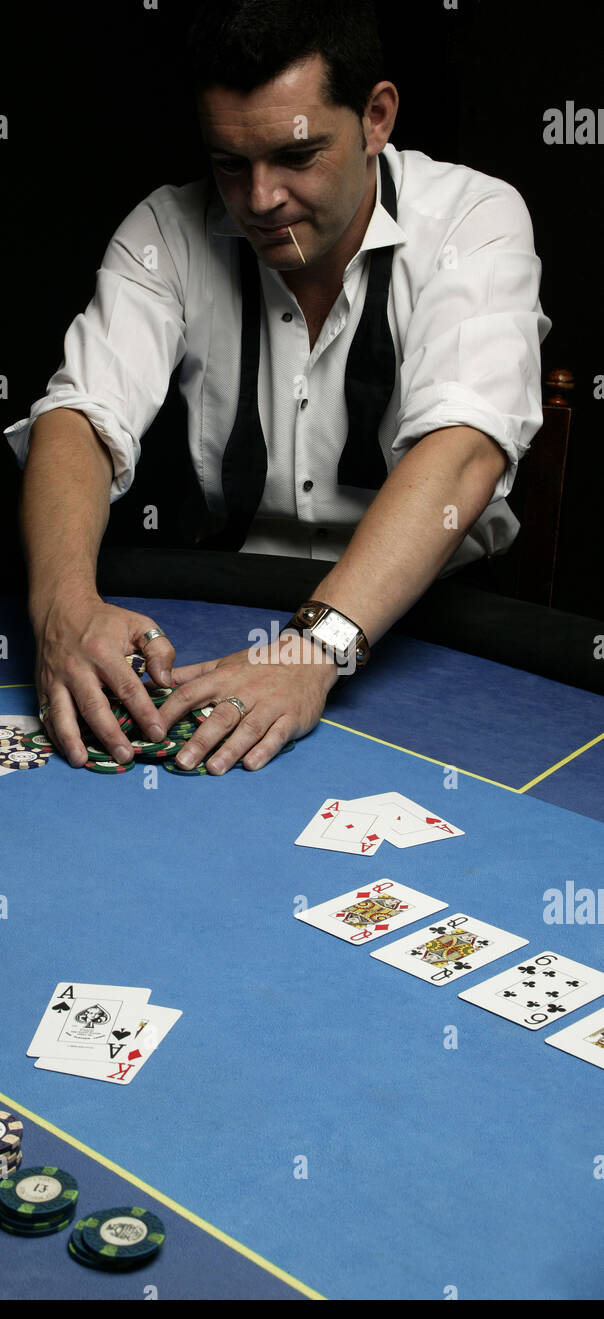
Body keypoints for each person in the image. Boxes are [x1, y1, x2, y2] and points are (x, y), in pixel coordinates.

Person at [4, 0, 551, 775]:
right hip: (224, 606)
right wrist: (62, 606)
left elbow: (461, 451)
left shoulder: (474, 219)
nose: (260, 200)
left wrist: (312, 650)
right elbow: (78, 419)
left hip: (430, 630)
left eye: (297, 157)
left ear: (376, 118)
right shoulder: (167, 229)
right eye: (231, 162)